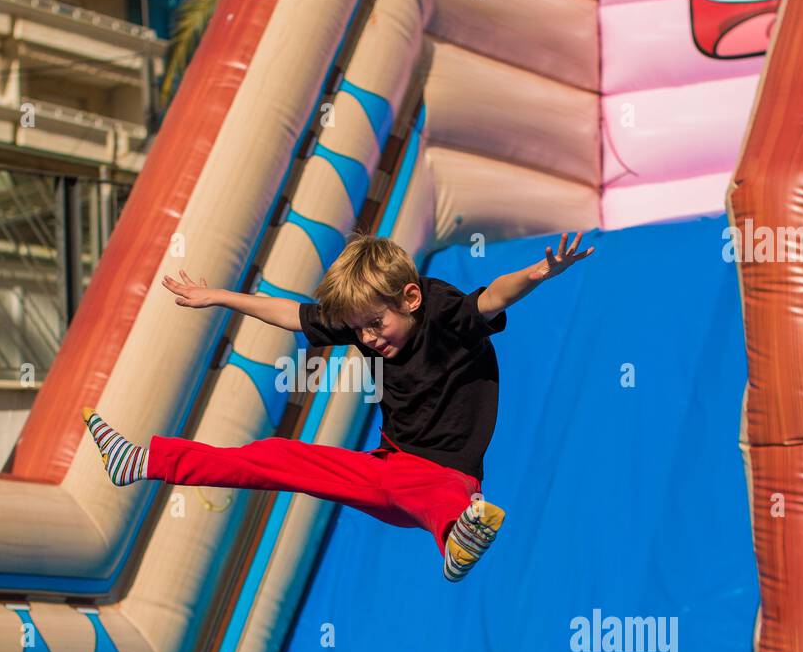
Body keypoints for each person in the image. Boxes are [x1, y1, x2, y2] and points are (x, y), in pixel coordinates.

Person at [83, 231, 594, 582]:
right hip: (386, 466)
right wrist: (218, 296)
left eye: (375, 324)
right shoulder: (362, 321)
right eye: (358, 330)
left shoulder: (444, 312)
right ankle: (145, 461)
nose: (369, 340)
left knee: (429, 493)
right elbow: (291, 313)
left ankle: (457, 538)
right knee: (276, 457)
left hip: (446, 480)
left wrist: (540, 273)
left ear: (410, 298)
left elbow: (493, 299)